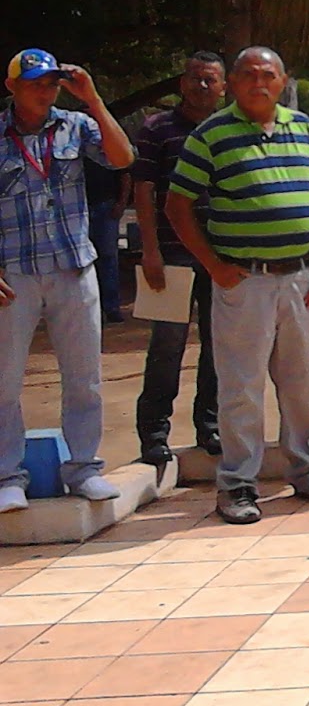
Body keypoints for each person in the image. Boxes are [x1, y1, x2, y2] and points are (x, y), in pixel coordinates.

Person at [167, 47, 309, 524]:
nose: (258, 83)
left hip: (299, 277)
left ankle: (308, 471)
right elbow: (177, 205)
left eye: (267, 75)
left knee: (300, 381)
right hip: (243, 279)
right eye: (247, 75)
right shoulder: (212, 134)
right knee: (241, 385)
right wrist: (213, 265)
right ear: (231, 82)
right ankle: (237, 484)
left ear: (283, 79)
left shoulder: (304, 128)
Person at [0, 50, 134, 514]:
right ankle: (7, 477)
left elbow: (122, 158)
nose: (45, 90)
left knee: (84, 378)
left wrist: (93, 100)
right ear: (11, 86)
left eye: (52, 82)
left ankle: (83, 469)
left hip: (74, 267)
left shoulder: (76, 126)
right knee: (5, 380)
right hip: (14, 273)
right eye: (35, 82)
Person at [133, 50, 226, 465]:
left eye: (211, 80)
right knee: (167, 347)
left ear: (224, 87)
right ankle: (154, 433)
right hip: (170, 256)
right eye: (195, 78)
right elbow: (143, 191)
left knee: (218, 344)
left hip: (222, 255)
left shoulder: (230, 129)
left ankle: (210, 426)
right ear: (182, 83)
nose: (202, 86)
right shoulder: (157, 128)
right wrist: (149, 251)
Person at [85, 158, 129, 324]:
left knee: (108, 258)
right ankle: (90, 310)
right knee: (84, 263)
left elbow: (125, 174)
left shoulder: (107, 145)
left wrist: (122, 203)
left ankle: (111, 308)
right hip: (80, 210)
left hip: (106, 206)